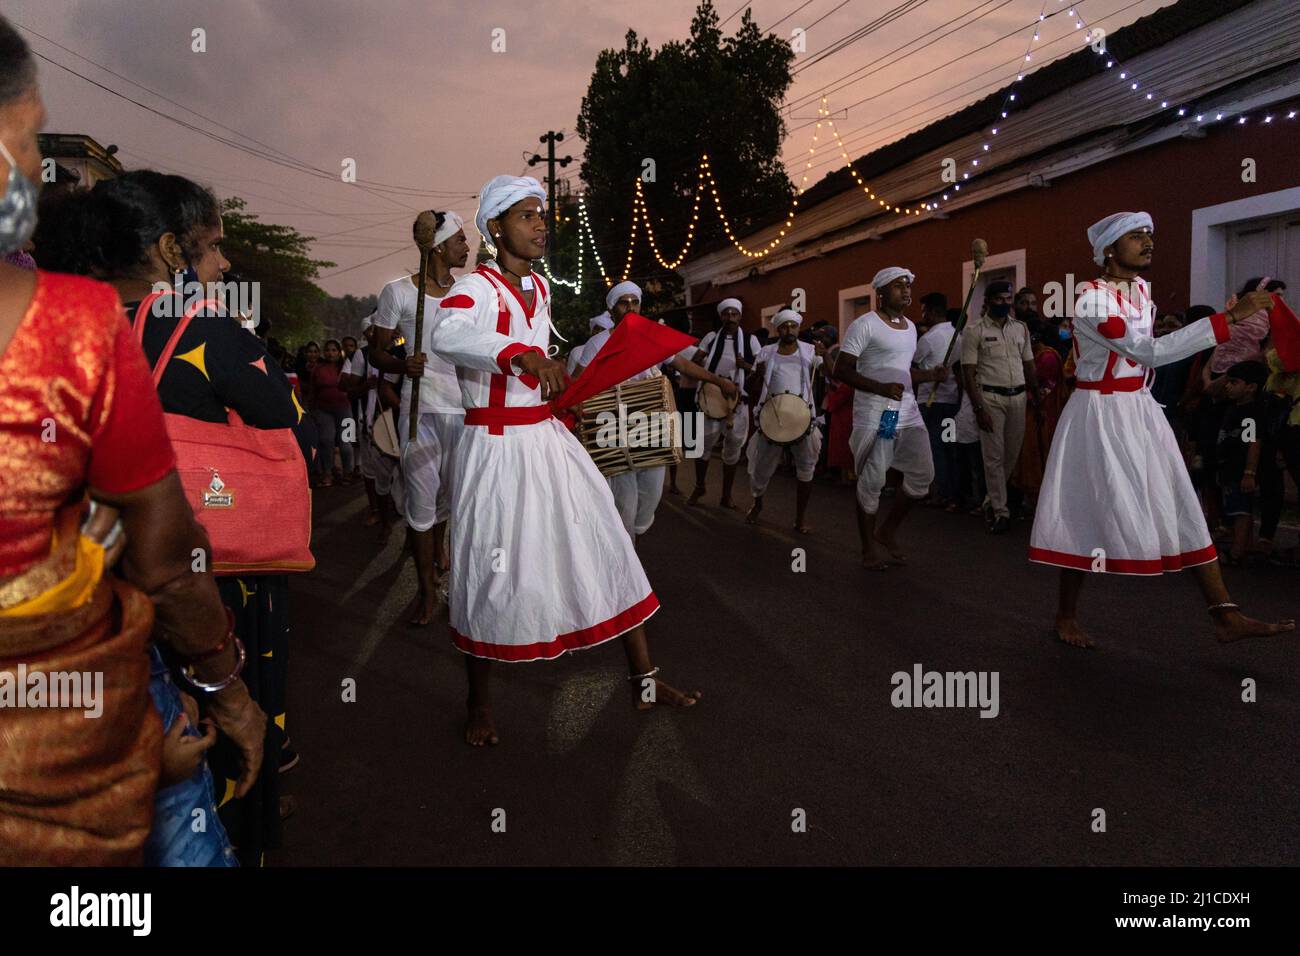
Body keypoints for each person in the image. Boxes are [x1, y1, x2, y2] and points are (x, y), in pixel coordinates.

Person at [0, 22, 264, 864]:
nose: (37, 167)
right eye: (25, 134)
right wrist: (224, 690)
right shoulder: (65, 332)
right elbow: (162, 556)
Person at [40, 168, 308, 863]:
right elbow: (287, 419)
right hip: (210, 578)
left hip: (79, 606)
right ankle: (244, 823)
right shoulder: (205, 329)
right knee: (222, 745)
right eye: (213, 248)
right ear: (168, 250)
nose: (223, 264)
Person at [425, 175, 700, 746]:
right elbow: (447, 333)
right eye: (527, 216)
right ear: (496, 226)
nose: (540, 225)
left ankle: (644, 681)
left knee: (607, 545)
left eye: (542, 216)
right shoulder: (476, 288)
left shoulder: (541, 290)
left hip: (549, 441)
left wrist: (568, 378)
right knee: (491, 570)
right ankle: (479, 701)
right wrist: (520, 355)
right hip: (495, 450)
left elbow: (546, 365)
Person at [1028, 211, 1294, 648]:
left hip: (1141, 411)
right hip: (1099, 414)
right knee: (1086, 511)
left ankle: (1224, 613)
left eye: (1150, 234)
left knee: (1181, 500)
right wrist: (1229, 321)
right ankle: (1066, 614)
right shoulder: (1092, 299)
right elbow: (1148, 352)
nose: (1149, 242)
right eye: (1137, 236)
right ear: (1110, 250)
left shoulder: (1141, 292)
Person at [573, 281, 737, 542]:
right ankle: (628, 565)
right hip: (614, 426)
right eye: (623, 303)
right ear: (612, 309)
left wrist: (718, 380)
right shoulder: (598, 342)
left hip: (652, 424)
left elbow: (682, 363)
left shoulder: (650, 336)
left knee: (651, 495)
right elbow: (578, 383)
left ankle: (632, 545)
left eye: (635, 302)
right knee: (624, 501)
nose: (630, 308)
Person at [370, 211, 470, 625]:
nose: (468, 247)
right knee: (420, 504)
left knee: (451, 501)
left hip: (464, 411)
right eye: (461, 240)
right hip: (420, 412)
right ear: (439, 247)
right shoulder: (398, 293)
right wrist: (400, 365)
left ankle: (440, 566)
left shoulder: (469, 291)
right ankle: (427, 591)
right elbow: (376, 353)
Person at [834, 267, 943, 570]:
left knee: (923, 476)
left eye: (908, 286)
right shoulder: (864, 325)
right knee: (874, 479)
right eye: (898, 286)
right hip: (880, 413)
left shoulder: (910, 328)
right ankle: (868, 548)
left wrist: (932, 374)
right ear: (880, 292)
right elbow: (841, 370)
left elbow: (904, 372)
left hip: (907, 410)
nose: (906, 291)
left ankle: (887, 530)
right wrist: (879, 387)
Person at [960, 279, 1039, 533]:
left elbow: (1029, 365)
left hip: (1018, 397)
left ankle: (989, 501)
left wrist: (1036, 397)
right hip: (990, 399)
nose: (1004, 304)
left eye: (1008, 299)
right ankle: (999, 512)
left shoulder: (1021, 329)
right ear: (988, 301)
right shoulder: (975, 331)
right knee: (993, 457)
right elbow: (968, 373)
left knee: (1010, 456)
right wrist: (978, 408)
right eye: (999, 299)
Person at [744, 309, 822, 532]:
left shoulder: (809, 351)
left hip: (803, 419)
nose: (789, 330)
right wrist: (756, 374)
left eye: (793, 326)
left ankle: (800, 518)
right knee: (760, 469)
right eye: (784, 326)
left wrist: (824, 354)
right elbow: (749, 388)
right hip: (772, 420)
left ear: (798, 328)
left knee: (806, 469)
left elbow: (831, 373)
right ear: (777, 329)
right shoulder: (767, 352)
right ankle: (757, 504)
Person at [687, 299, 761, 509]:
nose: (730, 318)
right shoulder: (711, 338)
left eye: (734, 314)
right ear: (721, 317)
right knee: (701, 446)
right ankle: (700, 485)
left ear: (740, 316)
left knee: (733, 448)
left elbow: (760, 370)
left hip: (738, 400)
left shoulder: (750, 340)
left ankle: (726, 496)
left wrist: (743, 365)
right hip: (711, 397)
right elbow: (695, 361)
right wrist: (703, 363)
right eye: (726, 314)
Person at [341, 312, 405, 539]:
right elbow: (349, 388)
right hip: (374, 422)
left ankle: (407, 526)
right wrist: (367, 386)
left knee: (406, 478)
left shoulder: (402, 352)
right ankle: (379, 515)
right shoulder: (364, 354)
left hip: (401, 422)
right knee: (376, 475)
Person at [1215, 361, 1270, 565]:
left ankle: (1237, 552)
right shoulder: (1233, 408)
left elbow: (1253, 441)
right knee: (1235, 508)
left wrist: (1249, 472)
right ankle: (1244, 547)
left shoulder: (1250, 413)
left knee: (1241, 511)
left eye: (1234, 382)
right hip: (1229, 467)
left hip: (1240, 470)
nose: (1228, 386)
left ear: (1251, 387)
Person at [913, 292, 960, 511]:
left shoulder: (929, 339)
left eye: (924, 311)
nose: (922, 315)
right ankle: (952, 493)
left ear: (932, 311)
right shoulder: (958, 336)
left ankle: (940, 493)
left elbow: (912, 366)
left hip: (931, 401)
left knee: (934, 448)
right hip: (952, 400)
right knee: (949, 446)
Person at [308, 339, 354, 487]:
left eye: (334, 350)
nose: (330, 353)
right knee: (326, 441)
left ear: (339, 352)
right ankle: (327, 473)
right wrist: (312, 410)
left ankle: (348, 472)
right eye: (328, 350)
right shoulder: (317, 368)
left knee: (346, 443)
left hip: (345, 409)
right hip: (322, 410)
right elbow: (312, 390)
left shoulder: (347, 367)